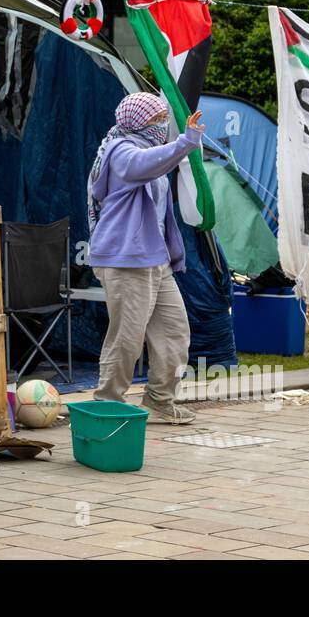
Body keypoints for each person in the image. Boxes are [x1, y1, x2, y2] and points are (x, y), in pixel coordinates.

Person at [87, 92, 204, 424]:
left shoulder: (143, 148)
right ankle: (107, 405)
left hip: (154, 259)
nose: (162, 124)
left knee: (174, 330)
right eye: (156, 119)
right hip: (126, 259)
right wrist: (185, 142)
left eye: (163, 118)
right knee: (126, 337)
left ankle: (159, 399)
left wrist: (182, 144)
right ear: (137, 122)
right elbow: (146, 164)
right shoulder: (121, 151)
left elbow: (157, 163)